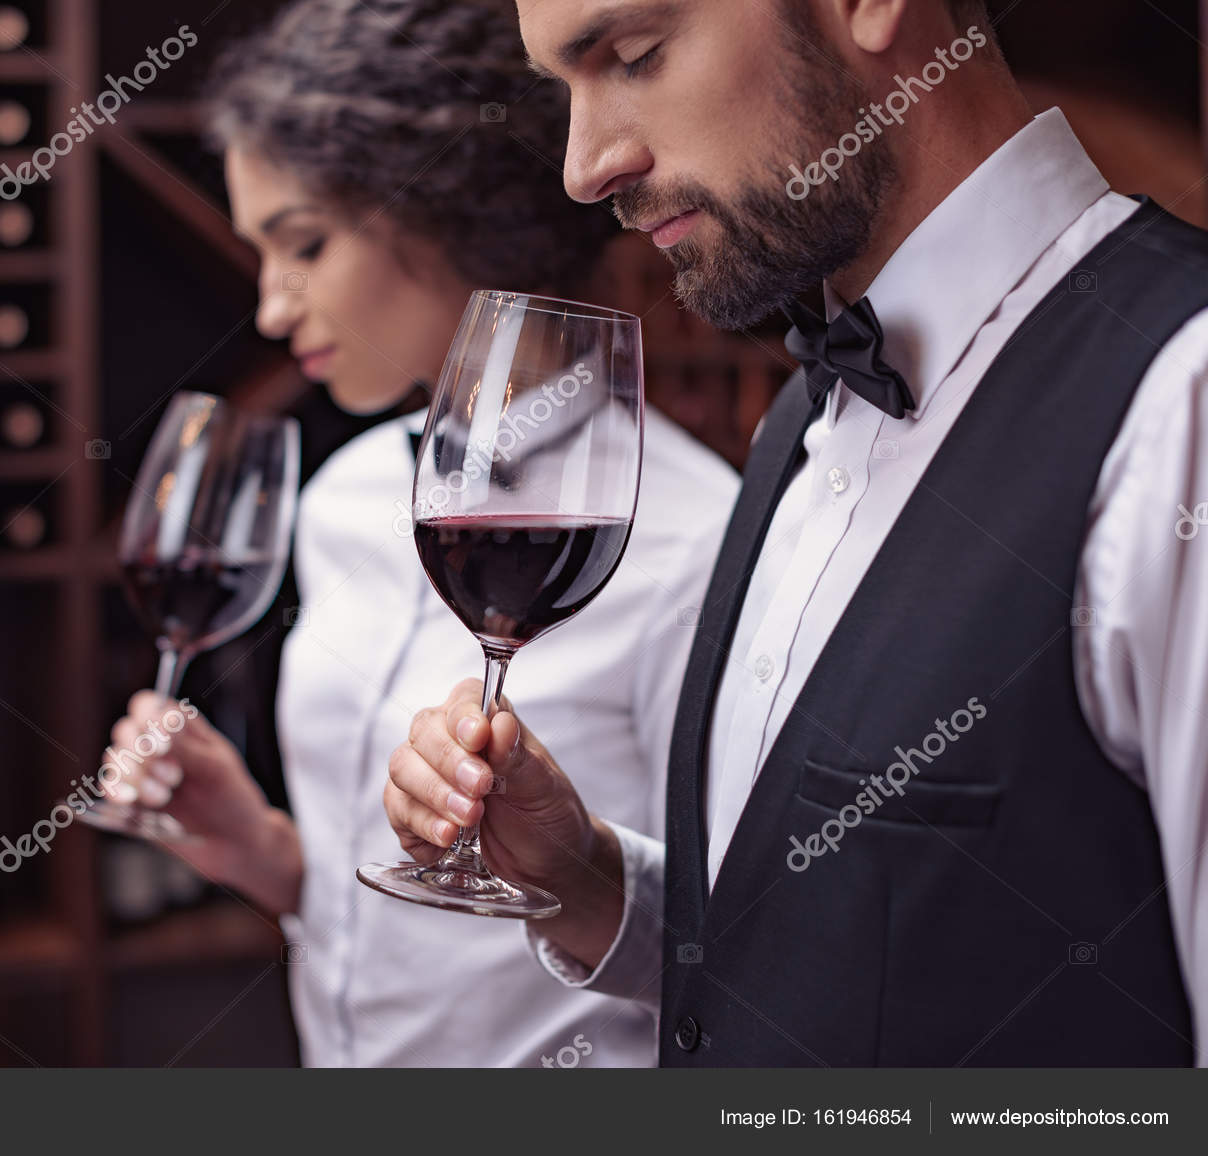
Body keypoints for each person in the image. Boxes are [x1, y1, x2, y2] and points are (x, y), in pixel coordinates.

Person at [385, 0, 1208, 1066]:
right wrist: (587, 880)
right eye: (563, 90)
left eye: (633, 57)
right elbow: (844, 962)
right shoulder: (802, 417)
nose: (583, 167)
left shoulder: (1182, 405)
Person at [103, 0, 739, 1067]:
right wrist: (264, 854)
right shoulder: (342, 497)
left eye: (302, 244)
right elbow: (391, 917)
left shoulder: (692, 546)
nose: (270, 306)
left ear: (453, 211)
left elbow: (755, 962)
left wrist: (576, 875)